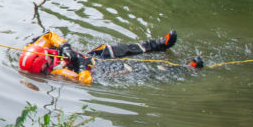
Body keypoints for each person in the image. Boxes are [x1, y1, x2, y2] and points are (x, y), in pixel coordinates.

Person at [18, 30, 178, 85]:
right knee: (136, 69)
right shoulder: (56, 73)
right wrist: (81, 67)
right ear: (44, 69)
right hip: (96, 69)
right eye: (49, 62)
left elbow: (50, 35)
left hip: (91, 55)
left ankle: (160, 44)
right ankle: (185, 68)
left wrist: (64, 47)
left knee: (117, 48)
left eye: (49, 56)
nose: (52, 59)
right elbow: (84, 80)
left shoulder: (34, 48)